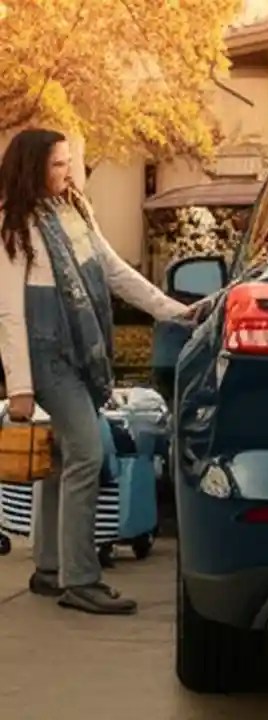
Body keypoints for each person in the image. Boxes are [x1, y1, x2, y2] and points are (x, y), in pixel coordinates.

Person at [0, 128, 193, 614]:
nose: (70, 172)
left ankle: (49, 569)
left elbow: (115, 273)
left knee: (64, 458)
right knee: (87, 453)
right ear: (32, 168)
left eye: (70, 163)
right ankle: (80, 579)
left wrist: (177, 310)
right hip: (47, 358)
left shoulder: (75, 214)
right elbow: (8, 312)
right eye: (59, 164)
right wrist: (20, 387)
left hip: (78, 355)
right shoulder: (12, 227)